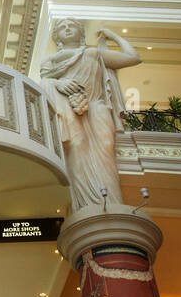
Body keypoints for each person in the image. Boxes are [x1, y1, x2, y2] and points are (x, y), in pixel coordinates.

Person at [40, 18, 140, 210]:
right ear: (57, 37)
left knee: (106, 149)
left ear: (81, 33)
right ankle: (86, 205)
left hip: (96, 105)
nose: (67, 29)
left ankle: (112, 203)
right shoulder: (50, 61)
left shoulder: (93, 53)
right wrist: (57, 83)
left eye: (71, 26)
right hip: (70, 107)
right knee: (76, 148)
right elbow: (43, 85)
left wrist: (113, 36)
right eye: (62, 27)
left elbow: (133, 57)